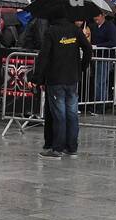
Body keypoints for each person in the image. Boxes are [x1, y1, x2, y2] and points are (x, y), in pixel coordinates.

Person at [33, 15, 93, 159]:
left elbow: (44, 56)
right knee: (72, 112)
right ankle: (72, 147)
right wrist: (82, 67)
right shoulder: (75, 30)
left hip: (56, 78)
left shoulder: (51, 31)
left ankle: (57, 148)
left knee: (59, 113)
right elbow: (88, 49)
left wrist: (37, 77)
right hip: (72, 78)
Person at [90, 13, 116, 108]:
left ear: (103, 16)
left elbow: (112, 42)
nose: (95, 18)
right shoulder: (94, 26)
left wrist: (97, 46)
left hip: (105, 57)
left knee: (100, 81)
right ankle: (101, 103)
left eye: (97, 16)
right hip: (97, 57)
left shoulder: (110, 26)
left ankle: (100, 104)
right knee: (100, 81)